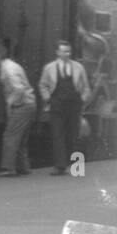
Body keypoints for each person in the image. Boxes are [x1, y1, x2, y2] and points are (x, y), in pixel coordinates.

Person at [38, 40, 92, 176]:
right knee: (57, 135)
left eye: (69, 51)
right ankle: (60, 166)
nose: (67, 54)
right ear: (57, 52)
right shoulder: (49, 68)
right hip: (56, 105)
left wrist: (83, 99)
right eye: (64, 51)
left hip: (74, 105)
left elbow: (86, 87)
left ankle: (76, 166)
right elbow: (42, 85)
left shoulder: (78, 67)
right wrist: (47, 98)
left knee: (73, 135)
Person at [0, 40, 36, 176]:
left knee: (10, 136)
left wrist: (10, 103)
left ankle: (9, 169)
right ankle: (23, 168)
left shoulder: (7, 68)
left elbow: (19, 88)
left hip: (22, 105)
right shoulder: (11, 65)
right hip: (29, 104)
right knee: (21, 139)